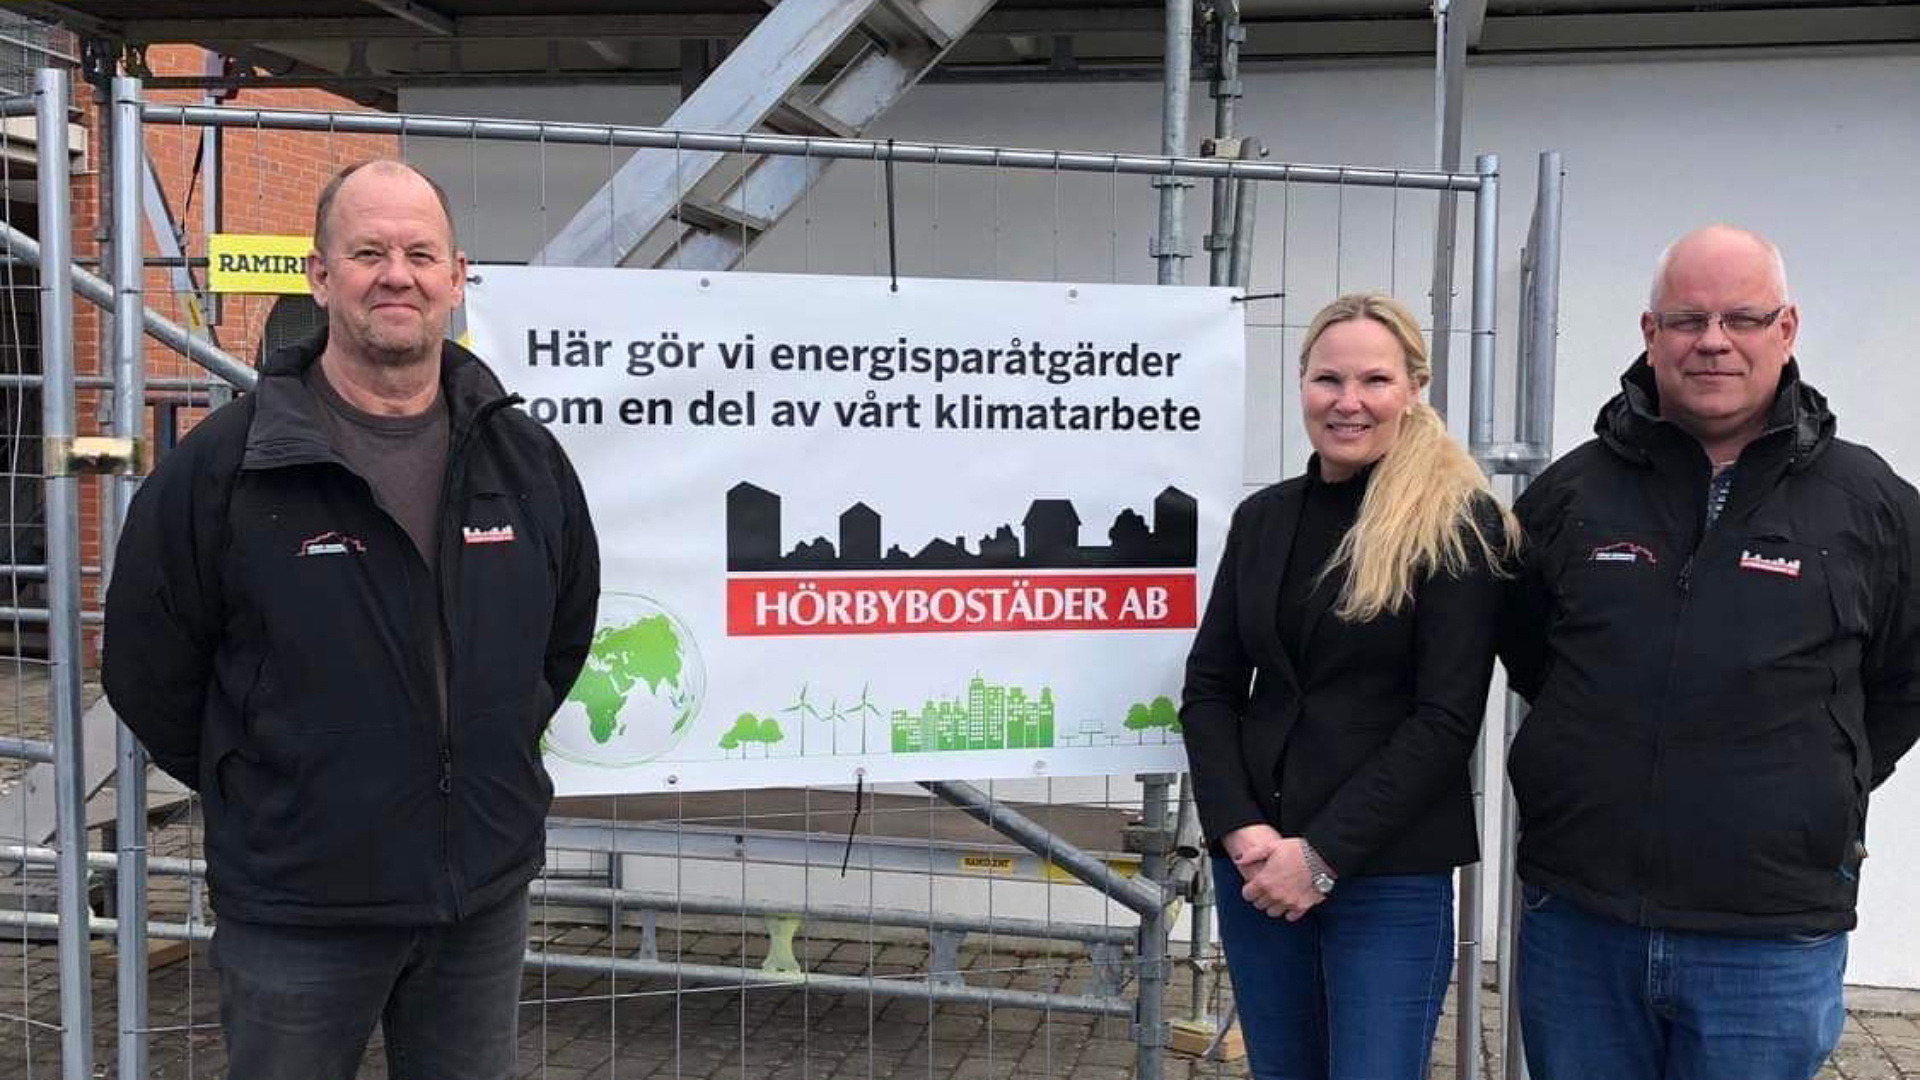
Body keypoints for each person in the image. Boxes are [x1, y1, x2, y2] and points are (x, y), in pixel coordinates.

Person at [103, 159, 600, 1080]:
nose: (396, 274)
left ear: (457, 276)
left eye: (420, 252)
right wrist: (267, 775)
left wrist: (477, 743)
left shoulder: (524, 459)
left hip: (478, 899)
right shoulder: (227, 468)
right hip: (298, 909)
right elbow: (147, 662)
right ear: (321, 276)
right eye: (367, 251)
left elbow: (562, 632)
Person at [1502, 225, 1920, 1080]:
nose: (1714, 341)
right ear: (1651, 335)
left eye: (1743, 317)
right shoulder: (1571, 495)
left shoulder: (1871, 504)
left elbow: (1906, 678)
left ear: (1788, 329)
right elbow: (1531, 655)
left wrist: (1817, 777)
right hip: (1584, 923)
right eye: (1687, 320)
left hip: (1768, 939)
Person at [1180, 293, 1517, 1080]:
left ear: (1414, 389)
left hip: (1386, 876)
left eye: (1374, 380)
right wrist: (1238, 829)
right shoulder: (1264, 519)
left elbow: (1445, 719)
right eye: (1328, 379)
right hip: (1259, 870)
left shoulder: (1455, 524)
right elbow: (1211, 686)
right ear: (1301, 383)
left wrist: (1323, 856)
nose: (1349, 401)